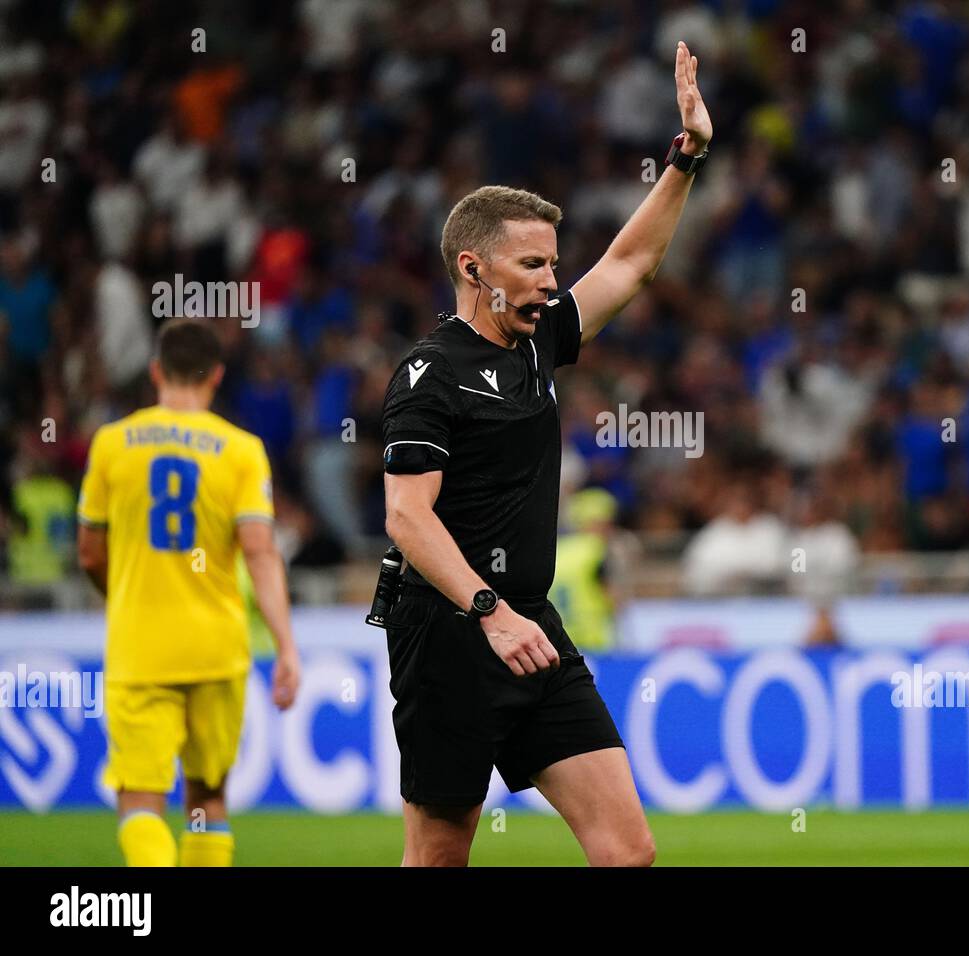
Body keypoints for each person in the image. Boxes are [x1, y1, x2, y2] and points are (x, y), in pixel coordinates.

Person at [381, 41, 711, 866]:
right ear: (472, 268)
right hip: (450, 631)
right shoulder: (429, 375)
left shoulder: (537, 340)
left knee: (629, 852)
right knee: (438, 857)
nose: (549, 281)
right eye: (531, 264)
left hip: (533, 622)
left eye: (553, 265)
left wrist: (687, 157)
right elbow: (406, 517)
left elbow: (631, 263)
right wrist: (487, 613)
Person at [77, 317, 300, 866]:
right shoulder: (241, 449)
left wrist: (123, 592)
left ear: (156, 371)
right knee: (206, 799)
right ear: (216, 376)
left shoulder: (111, 444)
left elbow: (87, 552)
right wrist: (286, 645)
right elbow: (260, 552)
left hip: (140, 647)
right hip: (217, 649)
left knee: (140, 799)